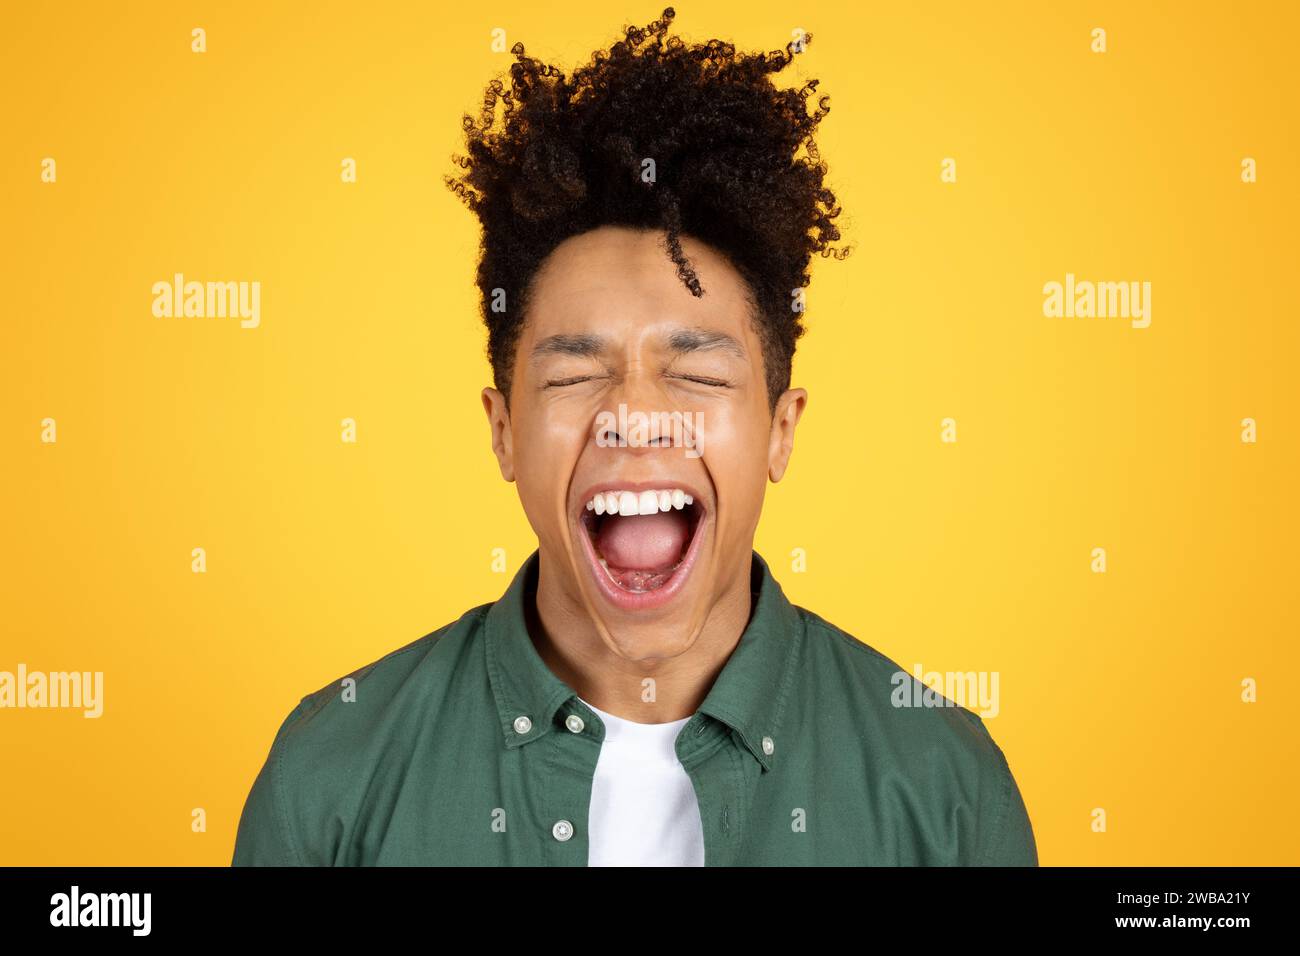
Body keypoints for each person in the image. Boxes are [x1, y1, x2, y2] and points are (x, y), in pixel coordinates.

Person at [232, 7, 1037, 866]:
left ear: (779, 429)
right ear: (503, 433)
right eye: (576, 374)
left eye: (695, 372)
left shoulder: (946, 790)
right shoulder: (331, 780)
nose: (636, 414)